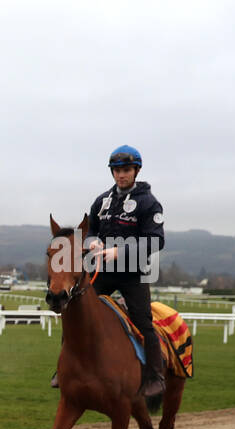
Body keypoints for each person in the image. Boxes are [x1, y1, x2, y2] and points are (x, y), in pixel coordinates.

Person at [51, 145, 166, 395]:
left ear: (136, 171)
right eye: (116, 171)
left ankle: (155, 376)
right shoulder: (102, 201)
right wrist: (91, 240)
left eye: (125, 170)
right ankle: (63, 368)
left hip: (132, 275)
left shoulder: (149, 203)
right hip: (101, 272)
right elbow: (90, 230)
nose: (121, 175)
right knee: (74, 310)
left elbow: (156, 241)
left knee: (143, 322)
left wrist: (119, 252)